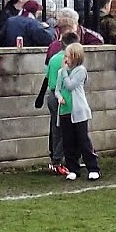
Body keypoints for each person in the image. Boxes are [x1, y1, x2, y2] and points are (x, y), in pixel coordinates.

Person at [52, 42, 101, 181]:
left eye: (67, 56)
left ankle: (93, 168)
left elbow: (70, 85)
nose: (65, 59)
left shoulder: (80, 70)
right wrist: (60, 97)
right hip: (64, 111)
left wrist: (65, 72)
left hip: (78, 111)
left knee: (83, 140)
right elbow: (57, 90)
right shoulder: (61, 72)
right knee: (68, 141)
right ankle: (73, 168)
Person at [43, 31, 78, 175]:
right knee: (67, 130)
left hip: (52, 95)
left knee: (56, 130)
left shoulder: (53, 58)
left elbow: (47, 78)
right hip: (64, 97)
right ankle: (57, 161)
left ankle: (57, 160)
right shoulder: (71, 60)